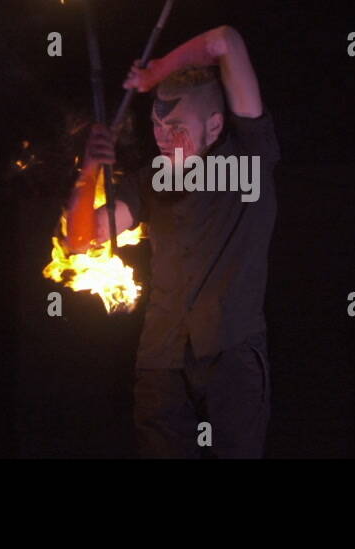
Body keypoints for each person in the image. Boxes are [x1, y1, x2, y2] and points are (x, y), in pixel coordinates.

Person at [64, 25, 280, 458]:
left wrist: (158, 70)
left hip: (231, 351)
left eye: (177, 126)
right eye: (158, 124)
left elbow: (226, 42)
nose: (163, 136)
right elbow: (80, 242)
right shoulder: (150, 183)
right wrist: (89, 169)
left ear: (215, 125)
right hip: (161, 359)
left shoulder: (249, 158)